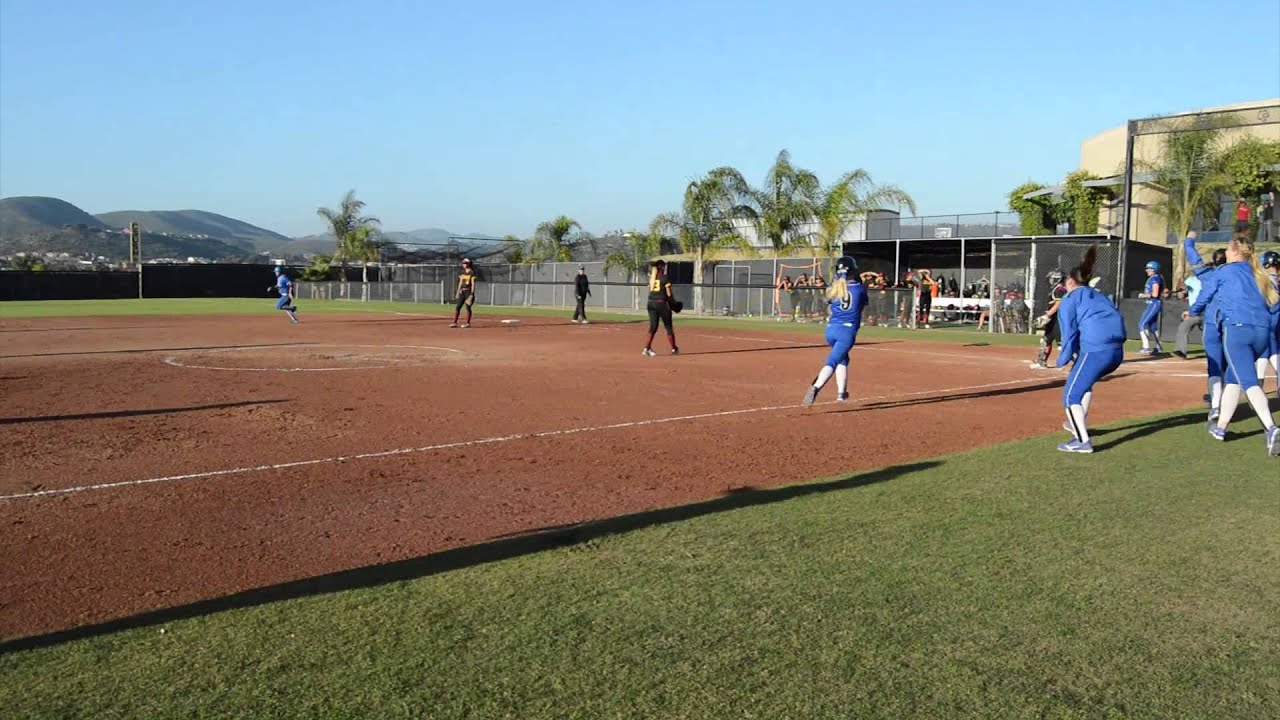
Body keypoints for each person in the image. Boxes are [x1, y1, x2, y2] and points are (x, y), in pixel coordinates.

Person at [1185, 237, 1280, 455]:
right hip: (1262, 332)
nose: (1226, 252)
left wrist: (1192, 311)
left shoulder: (1225, 271)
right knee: (1233, 379)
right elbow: (1273, 304)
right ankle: (1220, 428)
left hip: (1238, 330)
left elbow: (1205, 295)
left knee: (1248, 382)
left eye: (1229, 248)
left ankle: (1271, 428)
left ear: (1236, 251)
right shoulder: (1259, 273)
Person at [1055, 246, 1127, 453]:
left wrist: (1064, 358)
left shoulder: (1070, 299)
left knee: (1070, 397)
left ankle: (1082, 441)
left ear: (1070, 282)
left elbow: (1069, 332)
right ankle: (1076, 424)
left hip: (1096, 350)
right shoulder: (1099, 295)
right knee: (1084, 385)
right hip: (1116, 352)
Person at [802, 256, 868, 406]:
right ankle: (816, 387)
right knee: (832, 361)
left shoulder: (834, 288)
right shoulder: (859, 288)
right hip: (847, 332)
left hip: (831, 330)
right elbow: (862, 305)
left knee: (843, 359)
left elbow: (832, 299)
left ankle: (841, 394)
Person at [1180, 234, 1229, 419]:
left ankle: (1216, 405)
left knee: (1214, 366)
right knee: (1228, 365)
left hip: (1212, 322)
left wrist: (1189, 241)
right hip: (1230, 323)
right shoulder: (1237, 276)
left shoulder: (1209, 275)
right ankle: (1223, 400)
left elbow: (1194, 258)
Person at [1032, 269, 1068, 369]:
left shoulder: (1060, 290)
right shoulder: (1055, 289)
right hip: (1052, 321)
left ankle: (1078, 365)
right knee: (1045, 341)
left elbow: (1059, 304)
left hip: (1059, 320)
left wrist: (1047, 315)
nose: (1050, 280)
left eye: (1052, 278)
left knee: (1063, 344)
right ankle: (1041, 362)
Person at [1256, 250, 1280, 395]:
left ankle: (1258, 384)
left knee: (1265, 351)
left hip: (1269, 318)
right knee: (1275, 350)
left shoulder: (1265, 281)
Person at [643, 259, 679, 356]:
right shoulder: (664, 278)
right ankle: (674, 348)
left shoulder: (652, 279)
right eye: (664, 266)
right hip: (661, 304)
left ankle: (646, 348)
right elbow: (669, 294)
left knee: (653, 327)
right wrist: (673, 303)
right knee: (668, 327)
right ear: (662, 267)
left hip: (650, 304)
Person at [1137, 260, 1164, 354]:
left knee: (1141, 324)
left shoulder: (1155, 279)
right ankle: (1158, 347)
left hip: (1154, 303)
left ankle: (1146, 346)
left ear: (1154, 269)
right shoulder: (1153, 278)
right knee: (1152, 327)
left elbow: (1155, 294)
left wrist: (1144, 295)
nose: (1147, 270)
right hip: (1152, 303)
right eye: (1147, 268)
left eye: (1150, 268)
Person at [450, 258, 478, 328]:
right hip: (462, 292)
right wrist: (457, 292)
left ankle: (468, 323)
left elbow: (473, 284)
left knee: (468, 308)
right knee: (458, 307)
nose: (463, 264)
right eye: (463, 263)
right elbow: (460, 283)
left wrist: (472, 293)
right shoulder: (462, 272)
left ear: (468, 264)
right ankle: (455, 323)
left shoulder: (472, 272)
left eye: (465, 263)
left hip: (468, 292)